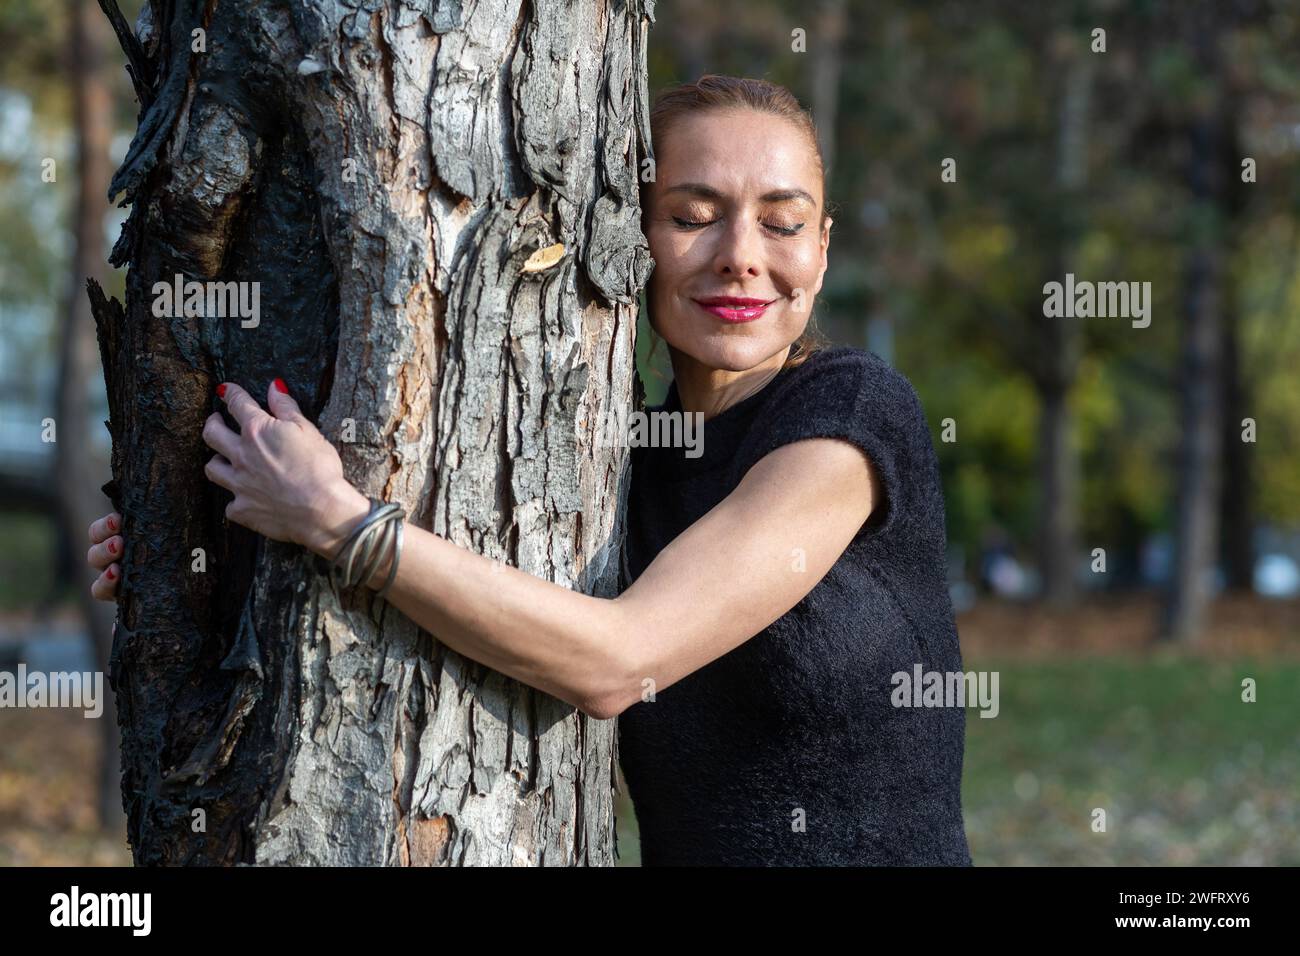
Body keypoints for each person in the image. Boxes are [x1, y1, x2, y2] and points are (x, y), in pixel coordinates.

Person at [87, 75, 972, 866]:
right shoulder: (615, 462)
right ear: (633, 234)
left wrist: (338, 522)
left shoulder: (851, 416)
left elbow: (619, 659)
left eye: (781, 222)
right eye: (693, 216)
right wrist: (195, 552)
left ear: (820, 250)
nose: (741, 253)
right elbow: (499, 610)